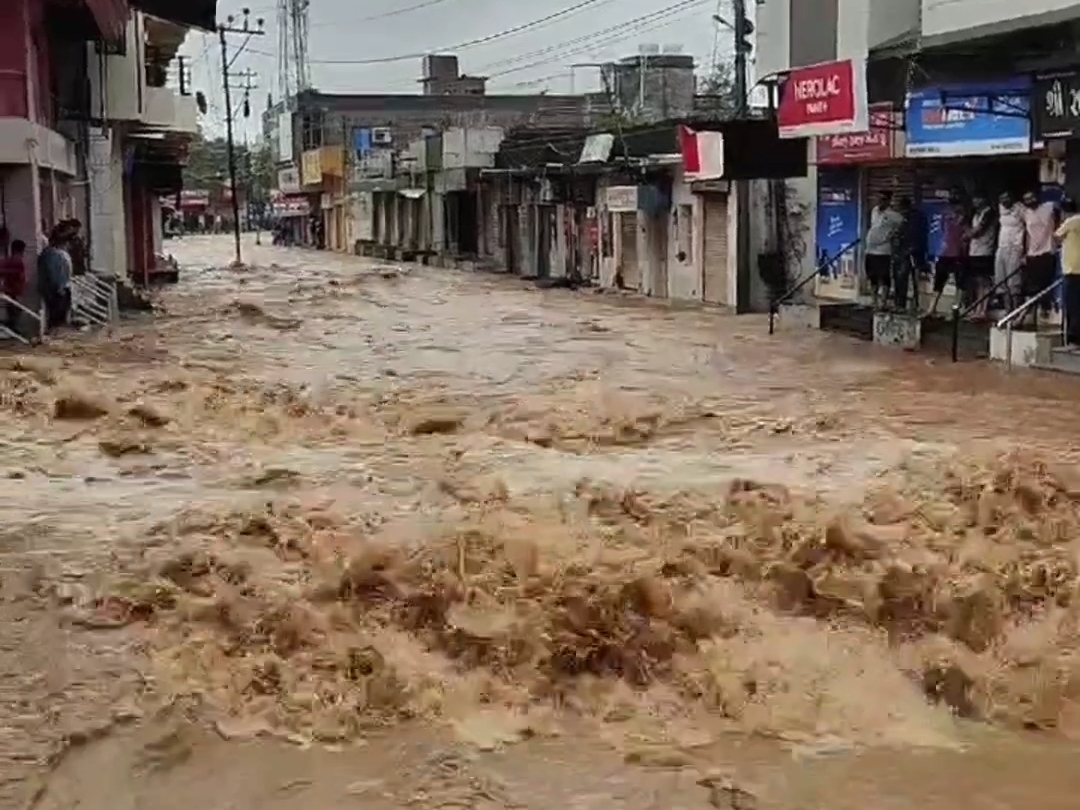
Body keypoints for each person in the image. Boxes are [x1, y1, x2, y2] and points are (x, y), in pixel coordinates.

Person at [1020, 190, 1059, 326]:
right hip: (1032, 253)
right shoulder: (1026, 213)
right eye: (1026, 199)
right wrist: (1024, 252)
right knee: (1032, 286)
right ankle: (1029, 314)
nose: (1030, 201)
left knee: (1044, 284)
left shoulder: (1049, 207)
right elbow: (1027, 234)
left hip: (1047, 251)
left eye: (1031, 197)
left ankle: (1044, 309)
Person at [930, 190, 968, 316]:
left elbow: (963, 227)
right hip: (945, 251)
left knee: (960, 283)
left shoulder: (964, 214)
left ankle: (956, 310)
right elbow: (943, 229)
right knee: (939, 281)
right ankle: (932, 308)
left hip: (959, 252)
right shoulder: (946, 213)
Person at [864, 191, 903, 309]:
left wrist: (893, 235)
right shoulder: (875, 211)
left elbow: (902, 226)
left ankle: (883, 301)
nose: (880, 202)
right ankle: (874, 300)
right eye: (878, 199)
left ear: (888, 201)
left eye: (883, 199)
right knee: (872, 277)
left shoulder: (894, 216)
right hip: (870, 249)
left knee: (884, 277)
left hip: (883, 251)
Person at [965, 192, 997, 318]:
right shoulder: (975, 214)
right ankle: (978, 308)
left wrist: (965, 228)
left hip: (985, 250)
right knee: (978, 281)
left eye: (977, 198)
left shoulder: (988, 213)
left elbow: (976, 232)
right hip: (974, 250)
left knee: (984, 281)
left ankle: (983, 309)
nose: (975, 202)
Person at [891, 196, 925, 313]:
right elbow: (898, 234)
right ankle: (900, 304)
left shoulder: (916, 218)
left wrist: (911, 249)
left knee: (910, 279)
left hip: (913, 252)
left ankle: (914, 304)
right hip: (901, 252)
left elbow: (918, 236)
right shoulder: (902, 219)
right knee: (899, 279)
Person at [37, 226, 72, 331]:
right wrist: (59, 288)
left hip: (61, 288)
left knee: (60, 316)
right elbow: (53, 273)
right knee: (57, 317)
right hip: (57, 290)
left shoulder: (57, 254)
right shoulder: (52, 254)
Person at [995, 192, 1025, 311]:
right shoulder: (1001, 208)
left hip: (1015, 247)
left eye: (1007, 197)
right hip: (1002, 247)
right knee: (1001, 280)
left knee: (1014, 281)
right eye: (1001, 198)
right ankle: (1008, 310)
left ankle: (1016, 310)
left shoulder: (1020, 209)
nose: (1004, 200)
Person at [1056, 198, 1080, 346]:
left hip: (1072, 269)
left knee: (1073, 306)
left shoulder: (1071, 222)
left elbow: (1056, 237)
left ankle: (1073, 339)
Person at [0, 239, 26, 337]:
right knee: (15, 312)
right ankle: (13, 331)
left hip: (10, 290)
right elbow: (21, 276)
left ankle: (12, 329)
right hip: (15, 290)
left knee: (13, 311)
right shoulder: (18, 261)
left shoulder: (8, 261)